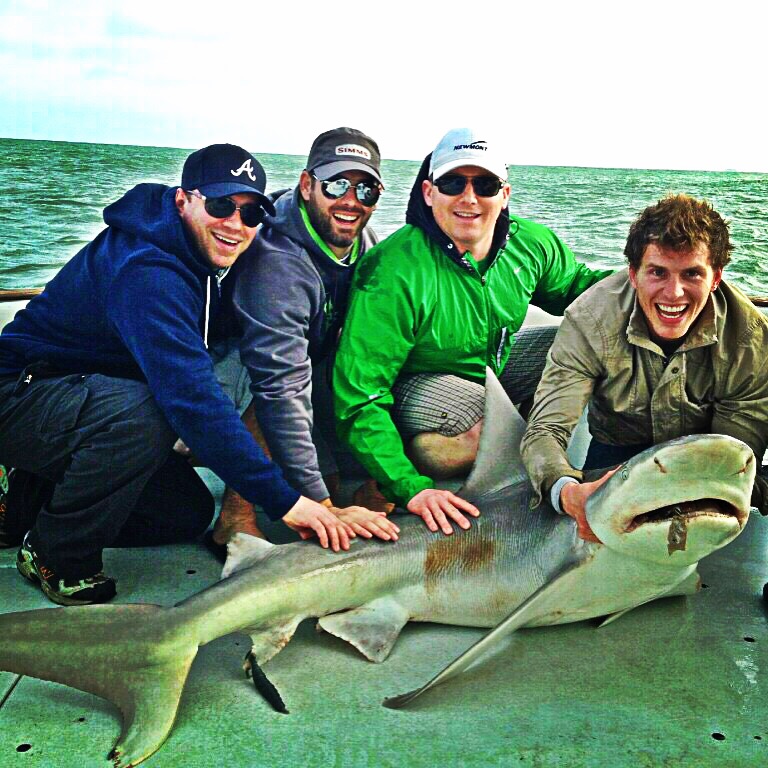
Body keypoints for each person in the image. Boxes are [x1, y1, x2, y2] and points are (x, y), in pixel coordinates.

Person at [0, 143, 364, 606]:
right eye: (220, 205)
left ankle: (23, 498)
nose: (235, 225)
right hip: (22, 393)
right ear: (182, 200)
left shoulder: (205, 254)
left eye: (251, 214)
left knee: (183, 514)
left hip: (87, 402)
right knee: (149, 414)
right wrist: (289, 502)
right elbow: (191, 400)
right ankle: (54, 554)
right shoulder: (147, 272)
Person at [333, 127, 612, 537]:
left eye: (484, 184)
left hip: (491, 364)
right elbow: (361, 394)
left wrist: (658, 283)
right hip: (415, 380)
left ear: (504, 194)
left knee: (588, 340)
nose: (469, 198)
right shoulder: (392, 271)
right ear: (429, 193)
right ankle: (410, 464)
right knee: (484, 418)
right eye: (452, 183)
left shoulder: (531, 244)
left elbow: (583, 291)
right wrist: (412, 490)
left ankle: (583, 458)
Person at [520, 194, 768, 542]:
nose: (674, 293)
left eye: (692, 274)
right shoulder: (589, 319)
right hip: (619, 452)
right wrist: (566, 491)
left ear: (715, 279)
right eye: (658, 272)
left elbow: (731, 454)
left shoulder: (748, 338)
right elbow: (545, 429)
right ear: (633, 274)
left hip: (705, 462)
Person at [207, 128, 399, 552]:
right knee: (277, 384)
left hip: (307, 363)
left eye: (366, 189)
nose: (351, 200)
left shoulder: (363, 241)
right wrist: (321, 506)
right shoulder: (276, 260)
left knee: (395, 359)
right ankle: (233, 517)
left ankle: (372, 492)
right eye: (336, 185)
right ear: (307, 185)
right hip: (232, 372)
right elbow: (280, 383)